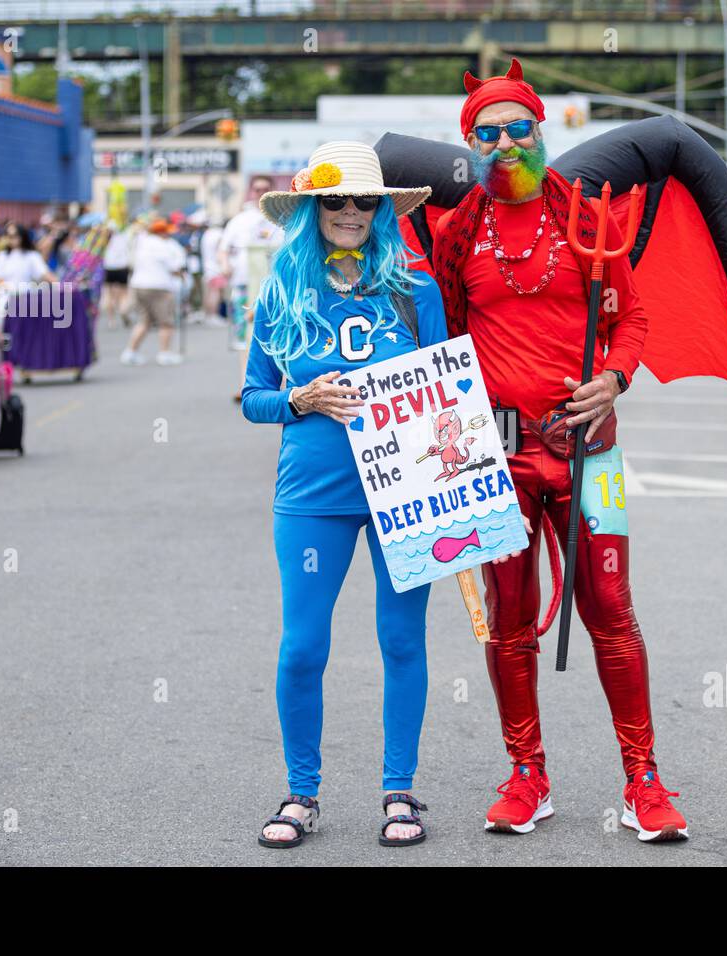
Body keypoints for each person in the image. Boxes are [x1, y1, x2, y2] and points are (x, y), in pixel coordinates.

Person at [431, 59, 689, 842]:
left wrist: (614, 377)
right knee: (509, 620)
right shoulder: (457, 231)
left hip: (591, 450)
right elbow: (441, 336)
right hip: (497, 453)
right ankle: (526, 774)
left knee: (610, 610)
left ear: (541, 131)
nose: (506, 142)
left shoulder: (589, 218)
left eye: (519, 128)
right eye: (488, 132)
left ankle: (644, 780)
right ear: (469, 141)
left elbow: (632, 320)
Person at [242, 141, 446, 848]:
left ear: (383, 210)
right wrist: (296, 399)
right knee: (302, 647)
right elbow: (253, 399)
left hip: (405, 489)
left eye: (365, 201)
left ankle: (399, 791)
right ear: (311, 209)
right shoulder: (282, 290)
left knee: (401, 640)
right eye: (336, 200)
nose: (351, 213)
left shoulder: (417, 289)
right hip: (312, 493)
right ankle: (301, 794)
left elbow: (442, 394)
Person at [221, 176, 284, 397]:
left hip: (276, 287)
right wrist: (225, 265)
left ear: (273, 190)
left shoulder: (282, 219)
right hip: (243, 285)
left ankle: (280, 385)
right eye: (257, 189)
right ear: (251, 192)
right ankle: (245, 384)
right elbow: (224, 249)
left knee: (279, 333)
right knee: (245, 335)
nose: (260, 192)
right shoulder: (239, 220)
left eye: (266, 189)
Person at [120, 217, 186, 366]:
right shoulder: (163, 246)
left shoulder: (141, 243)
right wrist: (181, 275)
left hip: (139, 285)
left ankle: (130, 351)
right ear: (161, 233)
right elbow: (174, 268)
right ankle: (164, 353)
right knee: (166, 322)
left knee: (144, 320)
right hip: (159, 287)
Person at [0, 223, 55, 291]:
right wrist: (10, 289)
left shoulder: (32, 256)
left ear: (22, 236)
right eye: (9, 235)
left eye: (15, 235)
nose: (11, 239)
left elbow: (45, 274)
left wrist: (62, 287)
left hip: (26, 297)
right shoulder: (2, 256)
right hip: (6, 297)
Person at [100, 219, 133, 329]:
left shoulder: (103, 240)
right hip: (122, 267)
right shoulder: (123, 238)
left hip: (109, 268)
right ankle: (123, 310)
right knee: (123, 294)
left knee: (110, 294)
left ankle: (111, 320)